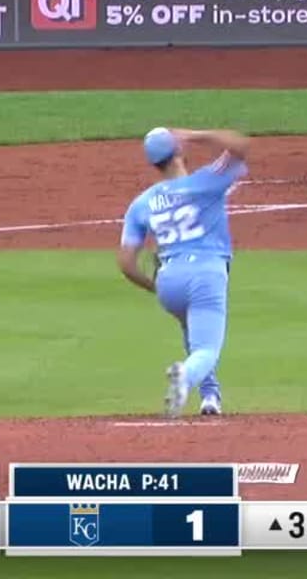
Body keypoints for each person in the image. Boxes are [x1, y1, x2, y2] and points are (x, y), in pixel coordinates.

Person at [116, 126, 252, 418]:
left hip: (168, 280)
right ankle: (185, 377)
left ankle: (210, 396)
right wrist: (195, 135)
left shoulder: (142, 203)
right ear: (178, 151)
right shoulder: (207, 182)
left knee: (193, 331)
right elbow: (240, 145)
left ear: (154, 163)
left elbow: (126, 262)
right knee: (206, 349)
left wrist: (156, 287)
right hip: (206, 274)